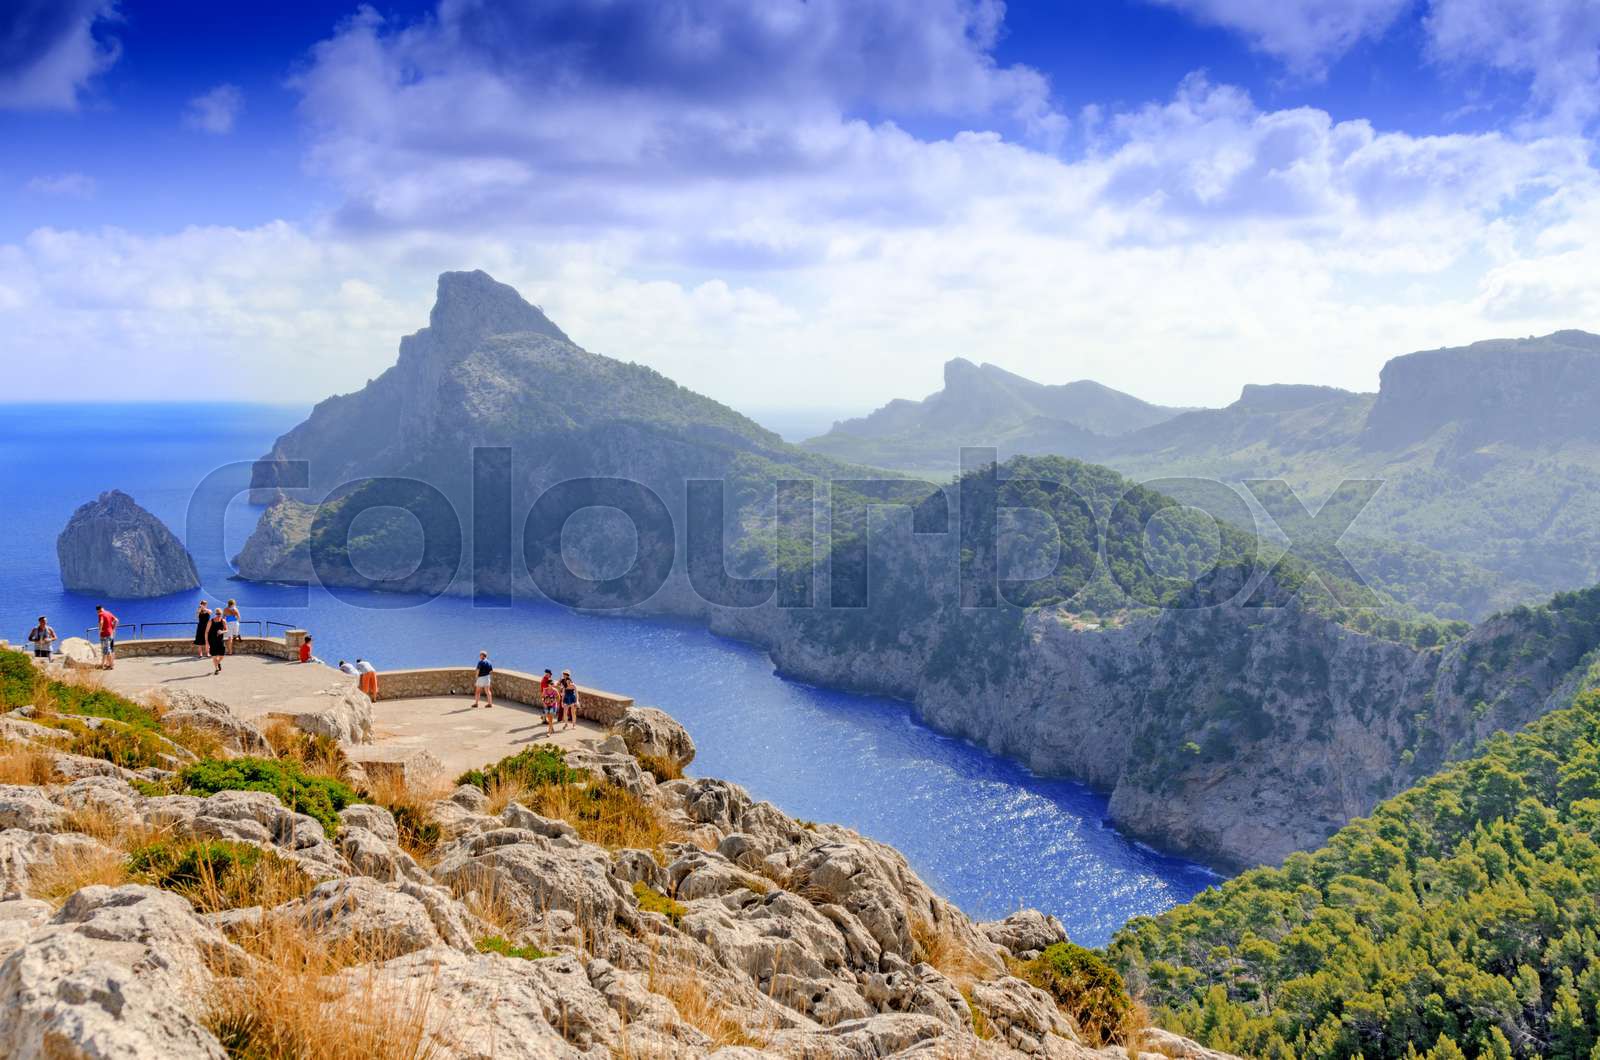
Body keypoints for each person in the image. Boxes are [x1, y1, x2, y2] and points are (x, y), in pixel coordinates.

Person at [95, 606, 118, 670]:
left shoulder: (100, 614)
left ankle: (111, 665)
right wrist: (114, 629)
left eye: (97, 611)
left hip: (105, 635)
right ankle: (108, 664)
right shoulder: (108, 612)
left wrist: (100, 631)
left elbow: (101, 622)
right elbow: (116, 620)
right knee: (110, 649)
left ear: (98, 610)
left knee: (107, 650)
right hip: (111, 634)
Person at [206, 609, 228, 675]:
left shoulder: (223, 621)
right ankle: (216, 669)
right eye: (217, 614)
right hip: (212, 640)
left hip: (220, 640)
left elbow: (226, 630)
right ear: (215, 614)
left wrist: (222, 631)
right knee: (214, 656)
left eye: (219, 614)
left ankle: (218, 662)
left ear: (221, 614)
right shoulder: (211, 621)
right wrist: (206, 642)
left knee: (222, 655)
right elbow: (206, 632)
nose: (218, 615)